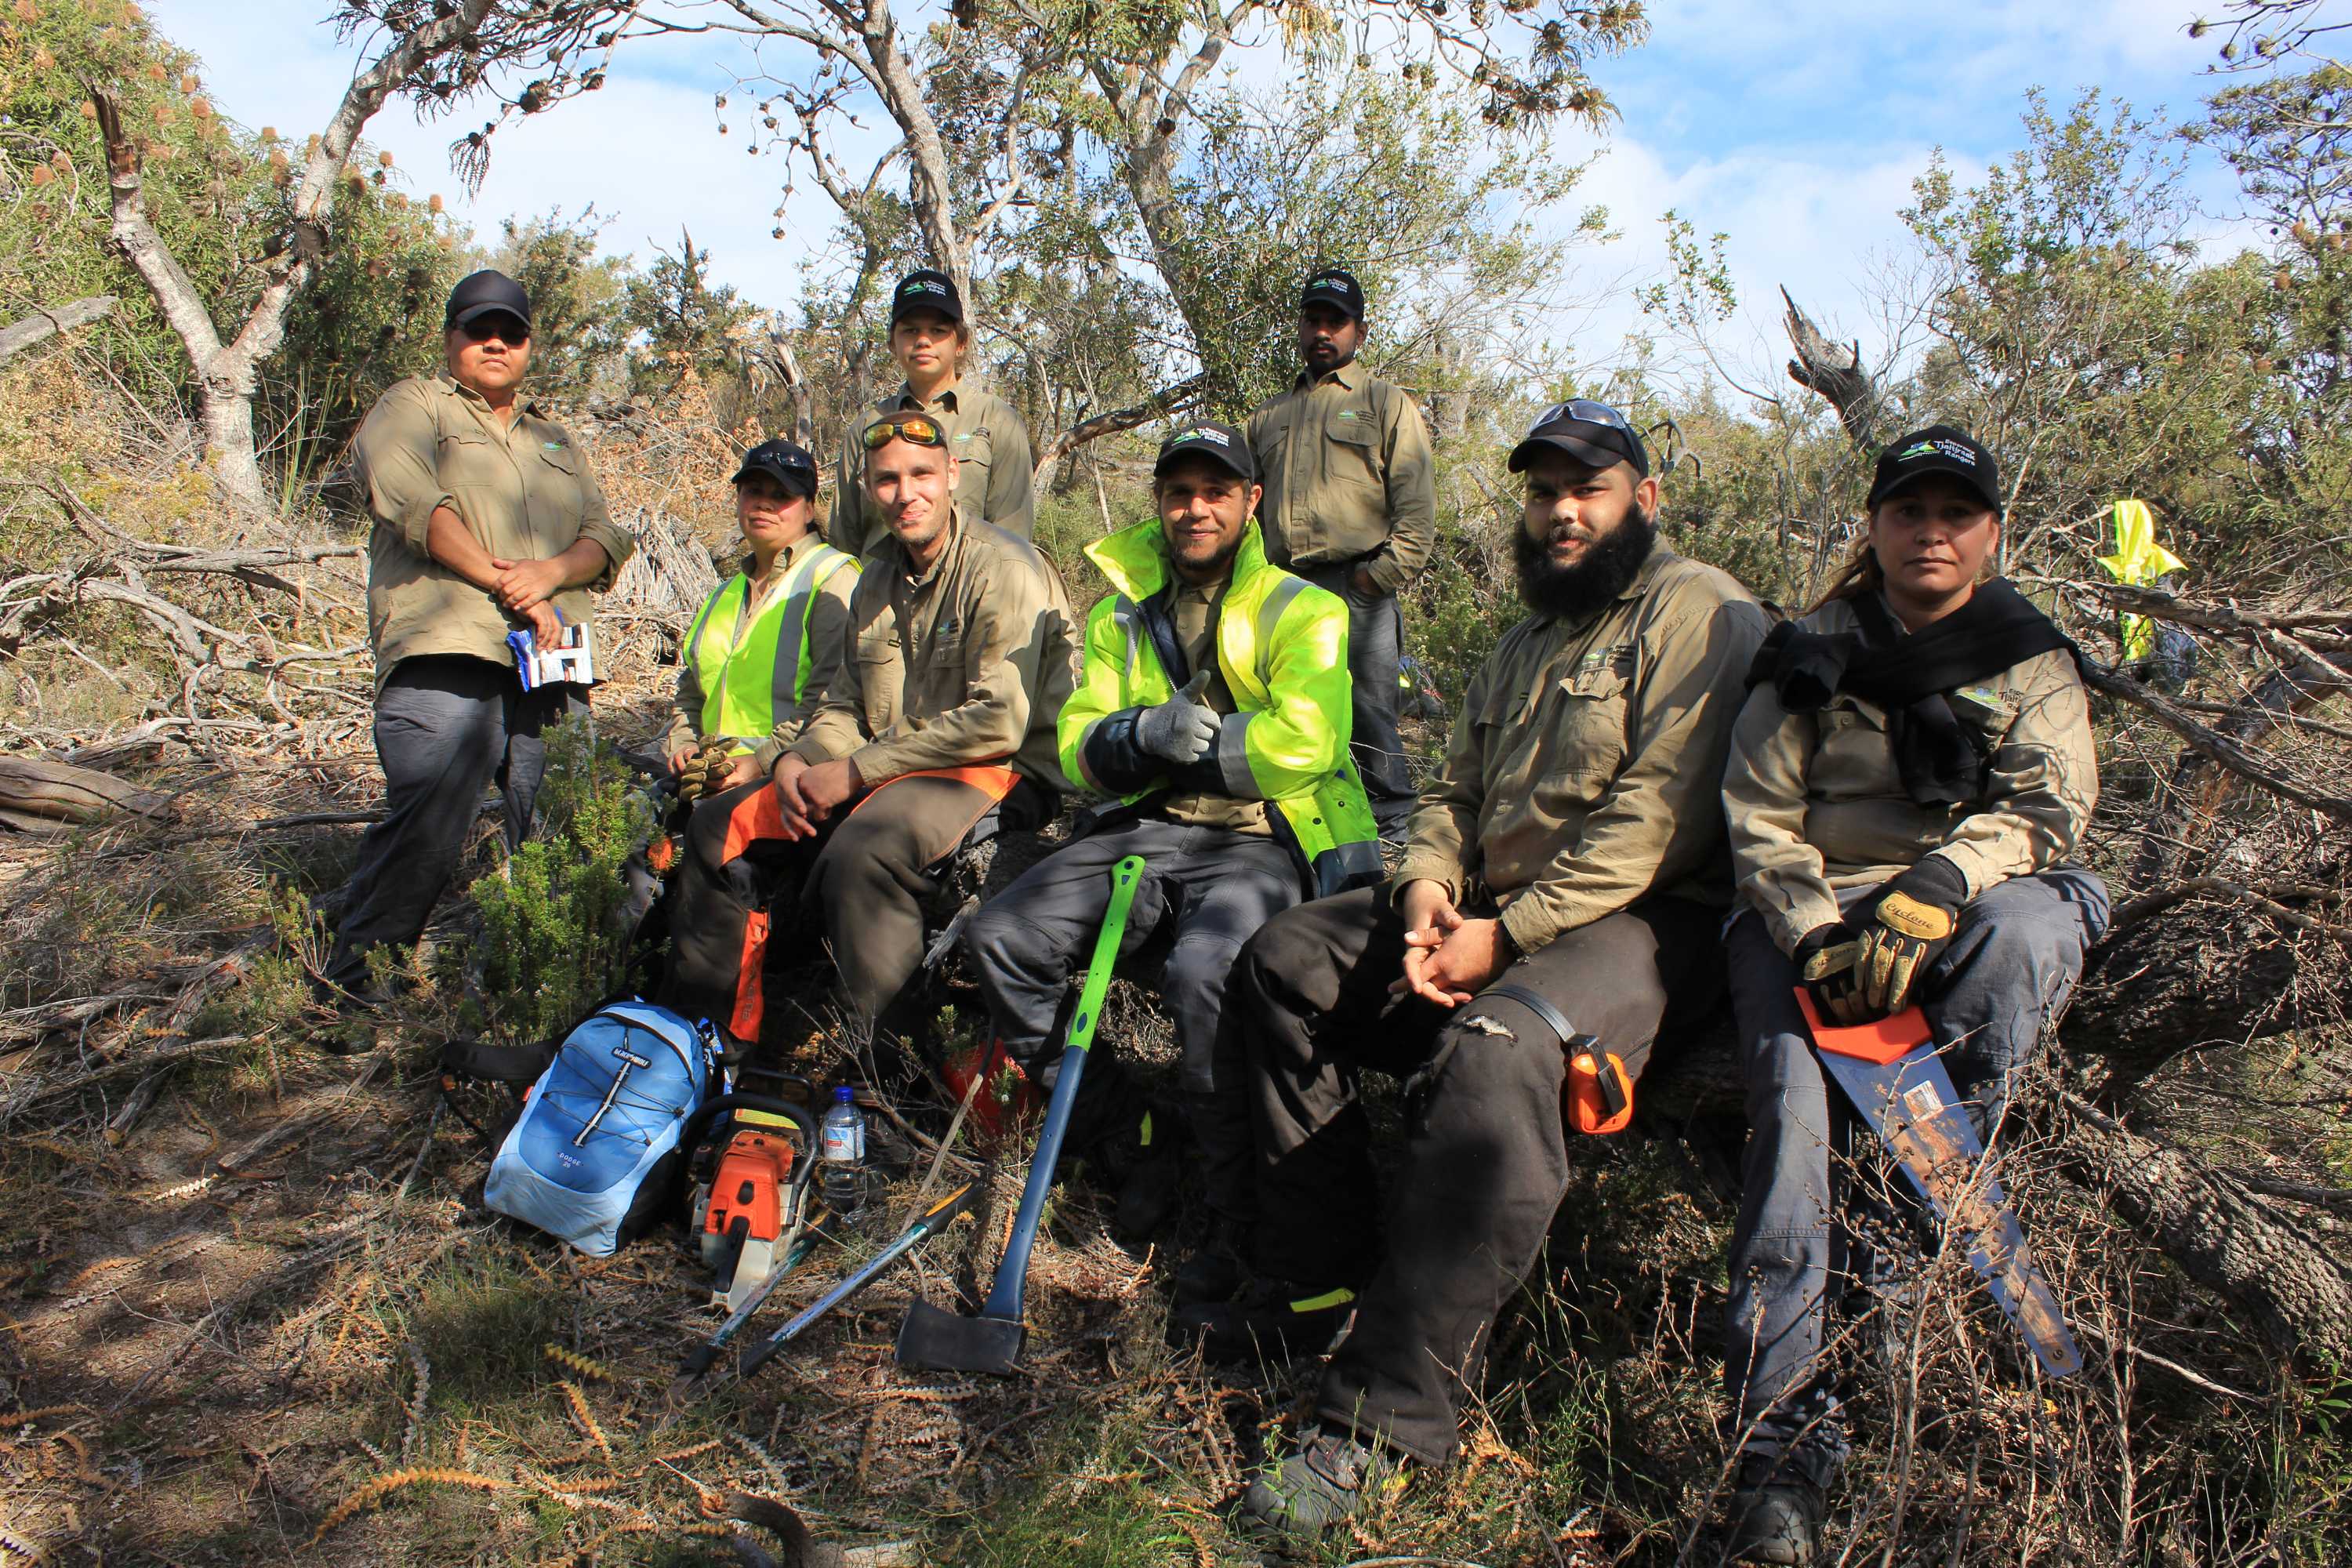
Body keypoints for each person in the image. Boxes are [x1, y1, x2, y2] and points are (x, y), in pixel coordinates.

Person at [1213, 400, 1771, 1535]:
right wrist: (1427, 889)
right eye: (1542, 490)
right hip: (1492, 906)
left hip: (1646, 925)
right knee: (1282, 961)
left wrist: (1501, 940)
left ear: (1643, 500)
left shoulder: (1704, 614)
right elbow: (1453, 793)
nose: (1562, 511)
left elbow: (1659, 826)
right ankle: (1320, 1281)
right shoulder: (1527, 638)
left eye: (1590, 488)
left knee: (1497, 1054)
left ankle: (1384, 1419)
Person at [1713, 426, 2107, 1566]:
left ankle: (1914, 1219)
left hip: (1972, 898)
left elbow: (2048, 810)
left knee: (2028, 933)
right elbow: (1757, 817)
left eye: (1955, 514)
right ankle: (1781, 1452)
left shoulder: (2028, 652)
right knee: (1790, 1138)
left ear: (1991, 530)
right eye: (1907, 512)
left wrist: (1942, 881)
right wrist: (1818, 932)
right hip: (1820, 909)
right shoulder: (1814, 648)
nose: (1930, 532)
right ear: (1876, 525)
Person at [961, 422, 1380, 1240]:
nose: (1196, 509)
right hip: (1146, 833)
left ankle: (1228, 1208)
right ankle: (1127, 1130)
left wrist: (1188, 749)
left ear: (1250, 502)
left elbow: (1304, 745)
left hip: (1264, 842)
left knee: (1203, 975)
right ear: (1158, 501)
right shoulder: (1123, 614)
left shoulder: (1307, 607)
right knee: (1004, 932)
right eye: (1180, 492)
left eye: (1216, 492)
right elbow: (1082, 743)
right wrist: (1139, 734)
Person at [661, 409, 1076, 1053]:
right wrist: (796, 762)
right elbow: (845, 703)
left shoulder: (1003, 566)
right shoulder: (876, 575)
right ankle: (711, 1043)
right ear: (867, 488)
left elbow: (999, 721)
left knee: (862, 853)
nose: (904, 494)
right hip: (897, 765)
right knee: (718, 822)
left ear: (952, 476)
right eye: (886, 480)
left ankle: (892, 1065)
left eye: (920, 475)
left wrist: (854, 772)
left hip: (1001, 768)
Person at [321, 269, 633, 1007]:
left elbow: (606, 536)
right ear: (451, 337)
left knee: (564, 821)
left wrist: (552, 570)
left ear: (528, 346)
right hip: (447, 648)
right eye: (478, 328)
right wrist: (511, 584)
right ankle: (357, 993)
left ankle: (546, 996)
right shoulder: (414, 405)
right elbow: (410, 501)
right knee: (431, 820)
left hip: (553, 658)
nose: (495, 341)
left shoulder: (554, 438)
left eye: (512, 331)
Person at [1244, 267, 1436, 821]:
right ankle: (1302, 824)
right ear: (1300, 327)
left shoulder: (1384, 402)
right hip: (1283, 589)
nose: (1323, 331)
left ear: (1361, 331)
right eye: (1313, 319)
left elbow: (1417, 508)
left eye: (1337, 321)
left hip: (1359, 587)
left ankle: (1393, 828)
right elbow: (1246, 507)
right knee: (1286, 707)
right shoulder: (1267, 416)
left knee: (1371, 714)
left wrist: (1373, 580)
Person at [660, 437, 859, 789]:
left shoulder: (833, 577)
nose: (764, 503)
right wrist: (684, 745)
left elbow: (835, 699)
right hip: (714, 777)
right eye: (753, 491)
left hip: (795, 777)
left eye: (782, 495)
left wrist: (763, 760)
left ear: (810, 509)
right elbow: (692, 689)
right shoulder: (723, 593)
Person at [829, 270, 1036, 560]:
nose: (923, 341)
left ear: (961, 342)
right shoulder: (866, 427)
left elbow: (1012, 537)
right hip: (876, 599)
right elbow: (844, 541)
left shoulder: (996, 419)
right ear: (892, 342)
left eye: (938, 331)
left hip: (967, 597)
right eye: (911, 330)